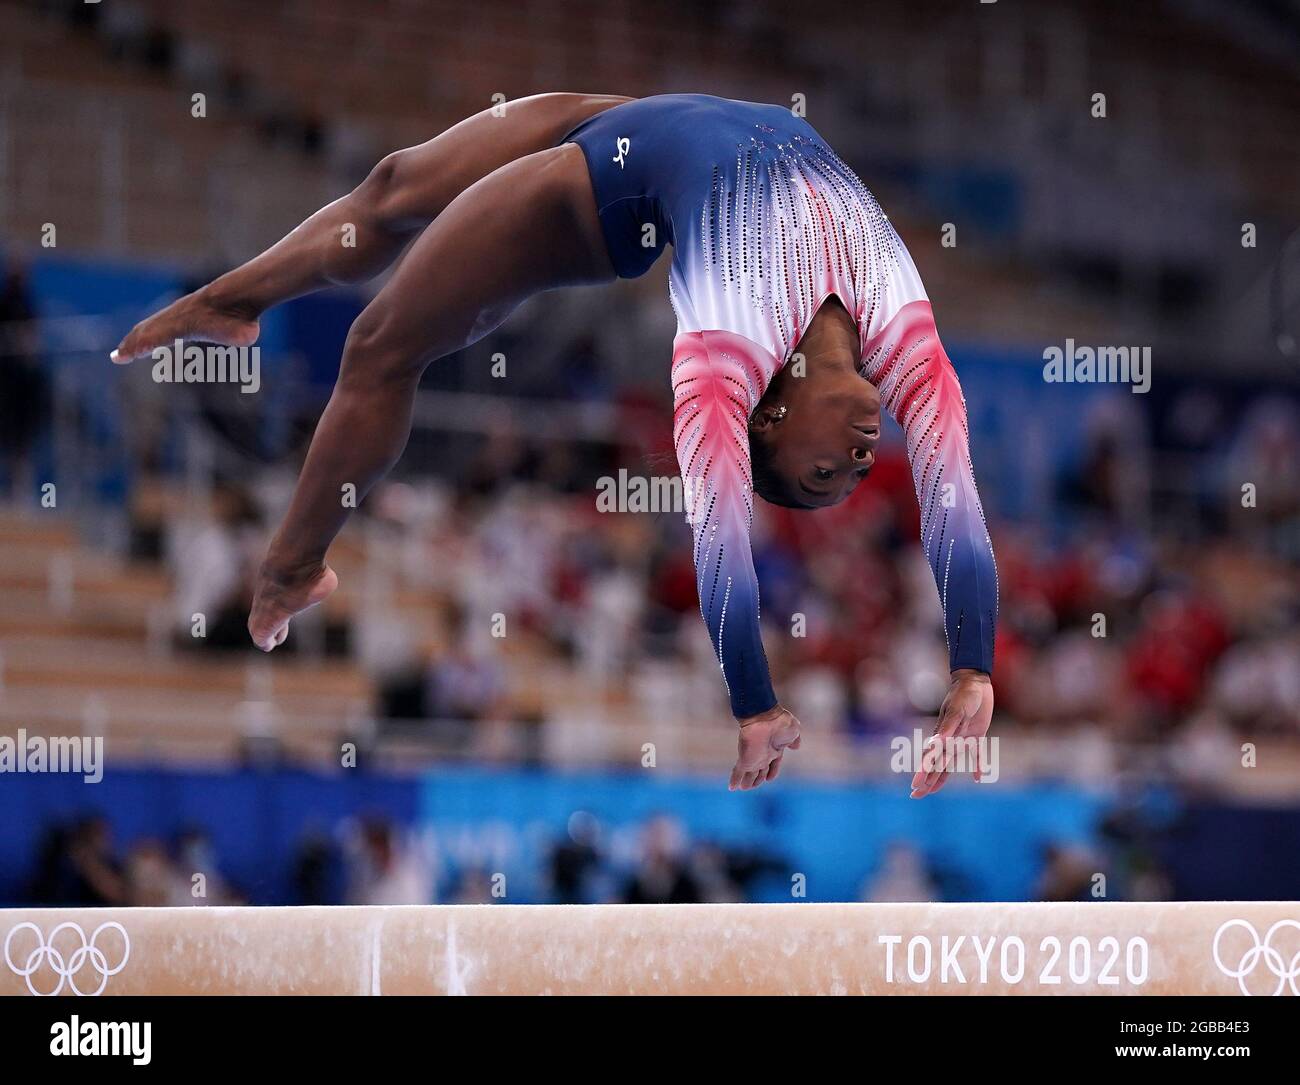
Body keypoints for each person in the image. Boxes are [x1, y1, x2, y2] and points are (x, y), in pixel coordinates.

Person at [111, 93, 997, 794]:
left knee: (381, 346)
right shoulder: (913, 354)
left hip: (614, 189)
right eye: (844, 472)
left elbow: (724, 549)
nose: (856, 458)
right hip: (657, 116)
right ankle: (239, 298)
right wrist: (973, 667)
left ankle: (289, 567)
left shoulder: (725, 359)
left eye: (824, 474)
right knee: (388, 189)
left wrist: (757, 705)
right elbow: (956, 516)